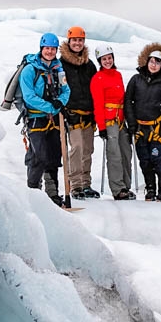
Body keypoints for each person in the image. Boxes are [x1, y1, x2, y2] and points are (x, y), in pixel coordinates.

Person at [18, 33, 69, 206]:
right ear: (41, 49)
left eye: (53, 49)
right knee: (38, 157)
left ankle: (52, 194)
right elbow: (29, 96)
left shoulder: (58, 69)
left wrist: (59, 102)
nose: (49, 51)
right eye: (47, 48)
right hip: (35, 119)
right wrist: (52, 106)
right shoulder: (29, 70)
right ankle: (33, 193)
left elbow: (66, 91)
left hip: (53, 119)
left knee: (54, 156)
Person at [125, 42, 161, 201]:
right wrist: (132, 125)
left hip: (156, 129)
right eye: (152, 61)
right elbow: (128, 102)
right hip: (140, 128)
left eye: (158, 62)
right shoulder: (135, 80)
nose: (154, 65)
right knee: (145, 160)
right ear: (146, 62)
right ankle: (150, 188)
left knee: (157, 158)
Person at [90, 43, 135, 200]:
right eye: (104, 59)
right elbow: (98, 103)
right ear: (99, 61)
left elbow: (123, 98)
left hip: (121, 119)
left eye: (109, 58)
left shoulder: (118, 75)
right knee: (114, 154)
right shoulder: (97, 79)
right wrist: (101, 126)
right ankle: (118, 188)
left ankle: (126, 185)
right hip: (109, 121)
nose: (107, 61)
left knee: (126, 152)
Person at [59, 26, 100, 199]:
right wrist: (64, 109)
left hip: (88, 113)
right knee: (76, 148)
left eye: (80, 40)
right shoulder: (61, 64)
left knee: (88, 149)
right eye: (74, 40)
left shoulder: (89, 65)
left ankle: (85, 183)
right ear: (69, 41)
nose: (77, 43)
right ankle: (75, 185)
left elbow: (95, 89)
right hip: (72, 113)